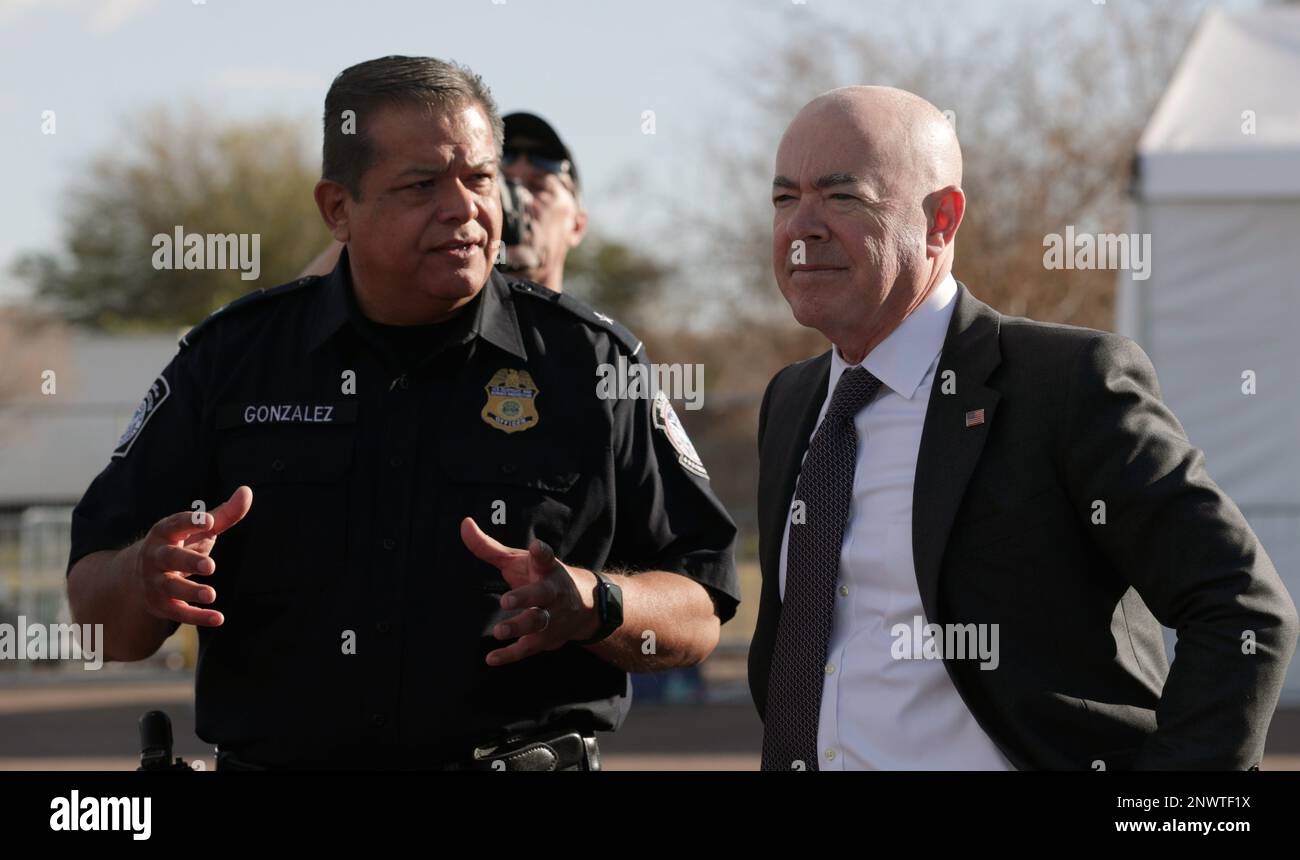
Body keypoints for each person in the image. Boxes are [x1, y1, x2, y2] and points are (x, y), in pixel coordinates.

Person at [66, 55, 739, 771]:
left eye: (480, 178)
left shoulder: (593, 365)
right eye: (421, 185)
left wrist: (597, 601)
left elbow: (700, 608)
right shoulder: (228, 363)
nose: (465, 209)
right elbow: (99, 619)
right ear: (338, 209)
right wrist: (145, 575)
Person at [749, 85, 1298, 770]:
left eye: (842, 197)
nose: (802, 227)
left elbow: (1242, 609)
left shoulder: (1065, 386)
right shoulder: (793, 401)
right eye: (783, 199)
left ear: (941, 220)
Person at [298, 111, 587, 294]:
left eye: (538, 187)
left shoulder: (592, 352)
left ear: (577, 225)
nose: (514, 201)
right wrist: (360, 217)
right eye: (494, 183)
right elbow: (302, 319)